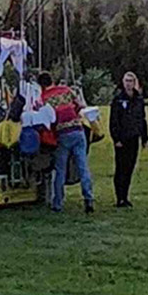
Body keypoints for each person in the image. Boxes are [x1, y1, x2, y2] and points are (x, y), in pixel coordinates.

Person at [107, 71, 148, 207]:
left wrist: (144, 137)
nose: (129, 84)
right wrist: (116, 138)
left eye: (131, 81)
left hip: (134, 137)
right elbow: (114, 121)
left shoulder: (139, 99)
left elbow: (142, 119)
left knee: (130, 167)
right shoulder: (118, 99)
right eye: (126, 81)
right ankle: (119, 197)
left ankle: (126, 196)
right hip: (122, 139)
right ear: (123, 82)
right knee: (120, 168)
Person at [51, 84, 94, 213]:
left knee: (60, 170)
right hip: (78, 131)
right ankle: (89, 199)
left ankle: (58, 203)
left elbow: (49, 119)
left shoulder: (44, 97)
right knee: (83, 166)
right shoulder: (65, 90)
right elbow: (81, 106)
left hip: (62, 133)